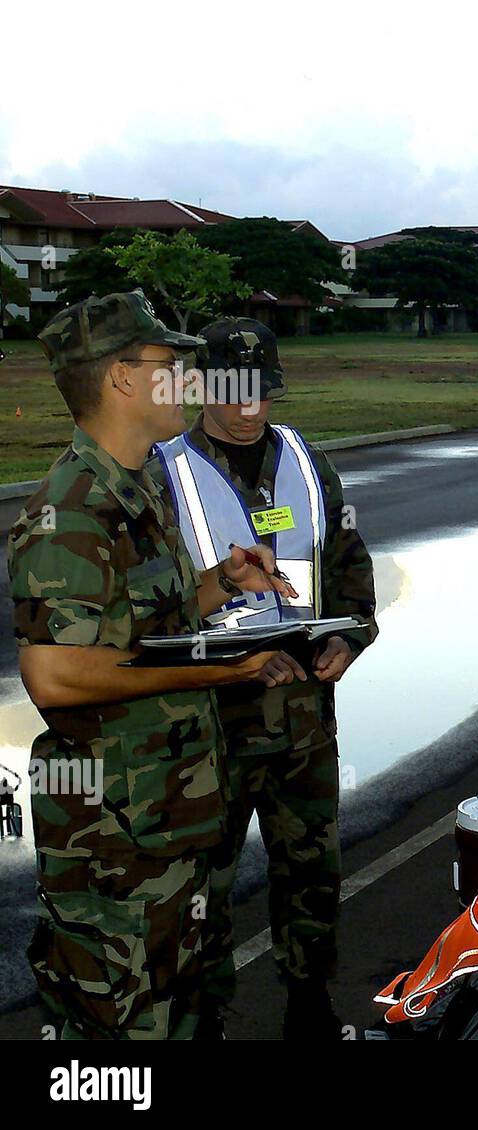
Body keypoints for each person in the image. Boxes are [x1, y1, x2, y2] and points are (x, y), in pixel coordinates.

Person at [8, 291, 293, 1039]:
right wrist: (222, 674)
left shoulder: (138, 490)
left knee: (189, 1013)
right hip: (115, 842)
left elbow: (145, 628)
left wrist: (222, 584)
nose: (194, 384)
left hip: (171, 820)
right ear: (122, 380)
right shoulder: (69, 512)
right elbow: (58, 677)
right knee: (120, 1036)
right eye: (173, 367)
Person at [149, 317, 378, 1039]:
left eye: (263, 397)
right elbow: (146, 613)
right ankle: (206, 1018)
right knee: (201, 886)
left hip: (304, 720)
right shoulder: (163, 474)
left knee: (311, 871)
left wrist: (349, 634)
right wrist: (231, 660)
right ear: (203, 389)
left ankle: (310, 1006)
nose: (250, 413)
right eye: (234, 397)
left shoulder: (311, 465)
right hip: (208, 729)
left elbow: (347, 567)